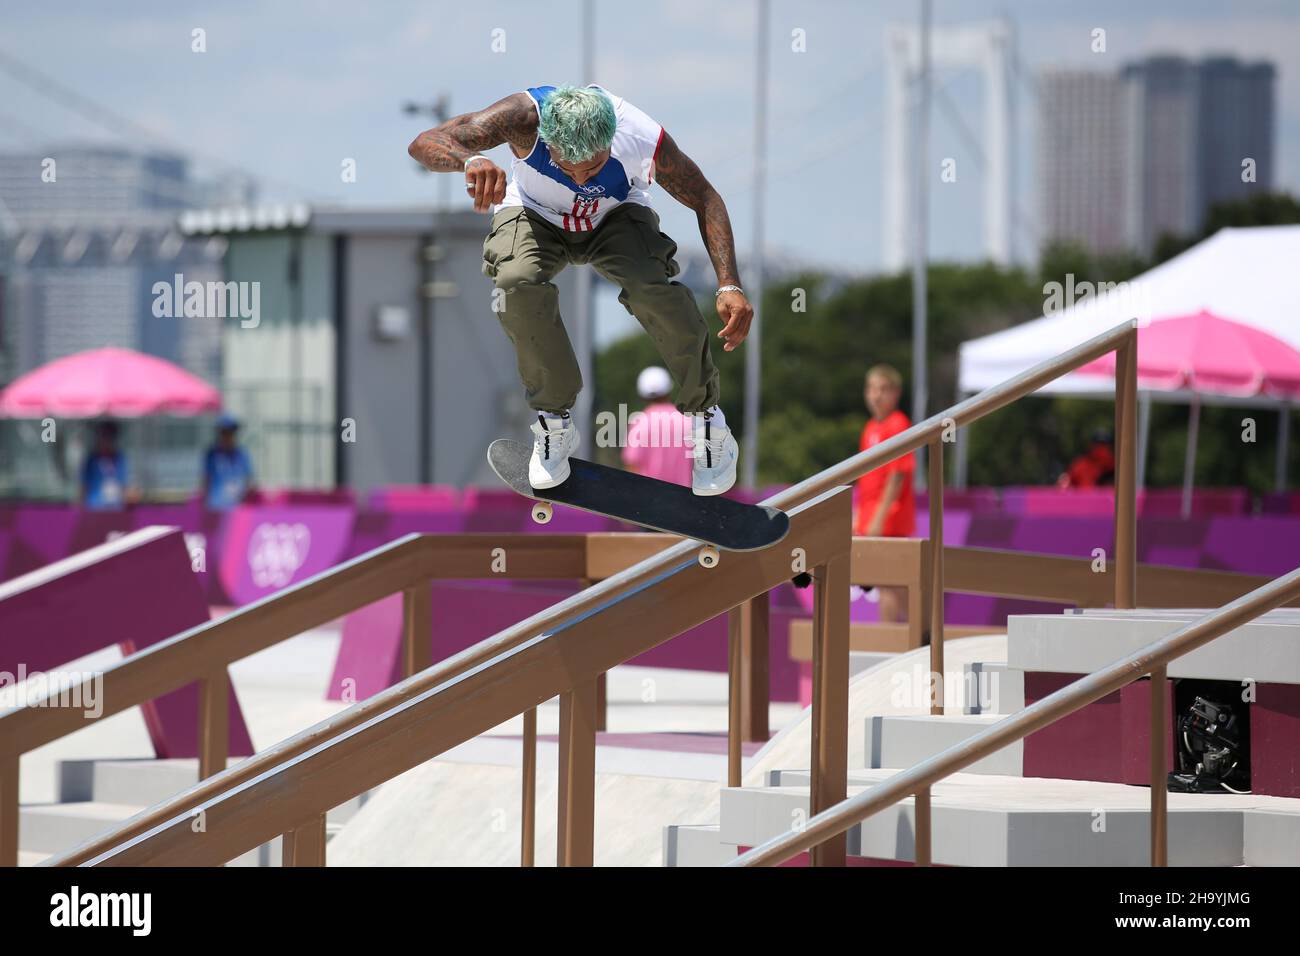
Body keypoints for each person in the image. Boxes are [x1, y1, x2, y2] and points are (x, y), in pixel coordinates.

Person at [408, 84, 753, 495]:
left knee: (650, 288)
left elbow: (705, 198)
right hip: (534, 215)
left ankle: (707, 421)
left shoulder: (643, 137)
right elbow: (423, 143)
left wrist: (728, 282)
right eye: (567, 167)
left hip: (616, 217)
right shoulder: (522, 117)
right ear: (545, 139)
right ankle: (554, 420)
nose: (578, 178)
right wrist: (473, 159)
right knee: (516, 282)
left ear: (611, 141)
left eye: (591, 168)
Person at [852, 365, 916, 623]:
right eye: (872, 389)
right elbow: (864, 475)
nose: (876, 395)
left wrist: (879, 516)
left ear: (896, 394)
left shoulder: (898, 423)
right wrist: (860, 513)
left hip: (890, 516)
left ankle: (902, 637)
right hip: (872, 514)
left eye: (883, 389)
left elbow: (898, 474)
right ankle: (913, 635)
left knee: (891, 580)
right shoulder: (870, 427)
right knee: (885, 581)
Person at [622, 365, 692, 487]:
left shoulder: (640, 422)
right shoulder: (688, 421)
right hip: (684, 499)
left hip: (650, 498)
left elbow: (632, 465)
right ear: (669, 389)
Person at [201, 413, 255, 510]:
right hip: (215, 507)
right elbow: (206, 480)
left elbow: (248, 479)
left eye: (231, 432)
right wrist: (204, 504)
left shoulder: (242, 454)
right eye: (224, 432)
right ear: (219, 433)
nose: (227, 436)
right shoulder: (212, 454)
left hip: (237, 507)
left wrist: (242, 496)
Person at [80, 420, 131, 510]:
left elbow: (124, 485)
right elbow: (84, 486)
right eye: (103, 436)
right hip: (94, 508)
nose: (105, 441)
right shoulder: (92, 460)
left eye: (109, 437)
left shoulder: (119, 459)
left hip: (116, 508)